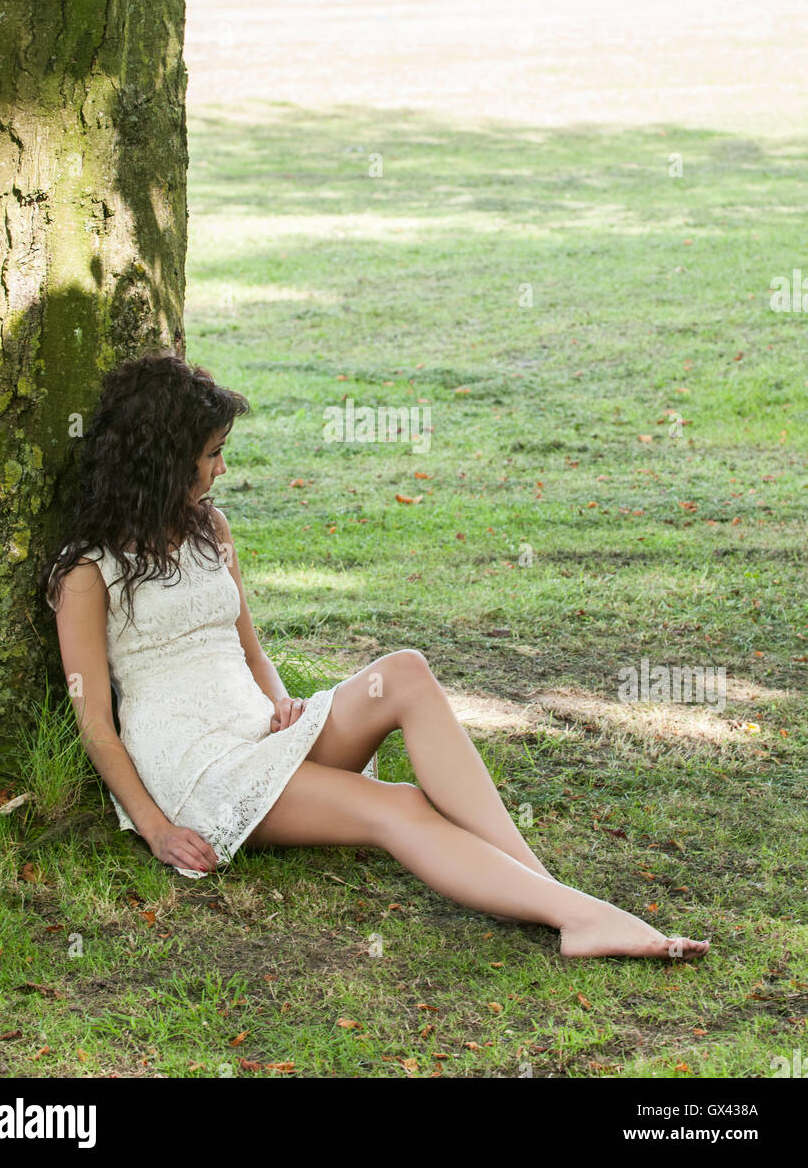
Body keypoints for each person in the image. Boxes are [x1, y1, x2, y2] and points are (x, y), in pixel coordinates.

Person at [42, 350, 710, 962]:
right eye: (212, 453)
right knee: (395, 805)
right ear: (161, 458)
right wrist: (156, 829)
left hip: (261, 733)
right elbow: (97, 722)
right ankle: (579, 918)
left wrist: (279, 700)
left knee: (404, 671)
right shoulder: (87, 574)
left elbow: (248, 649)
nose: (222, 469)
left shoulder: (208, 528)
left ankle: (538, 886)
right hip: (201, 771)